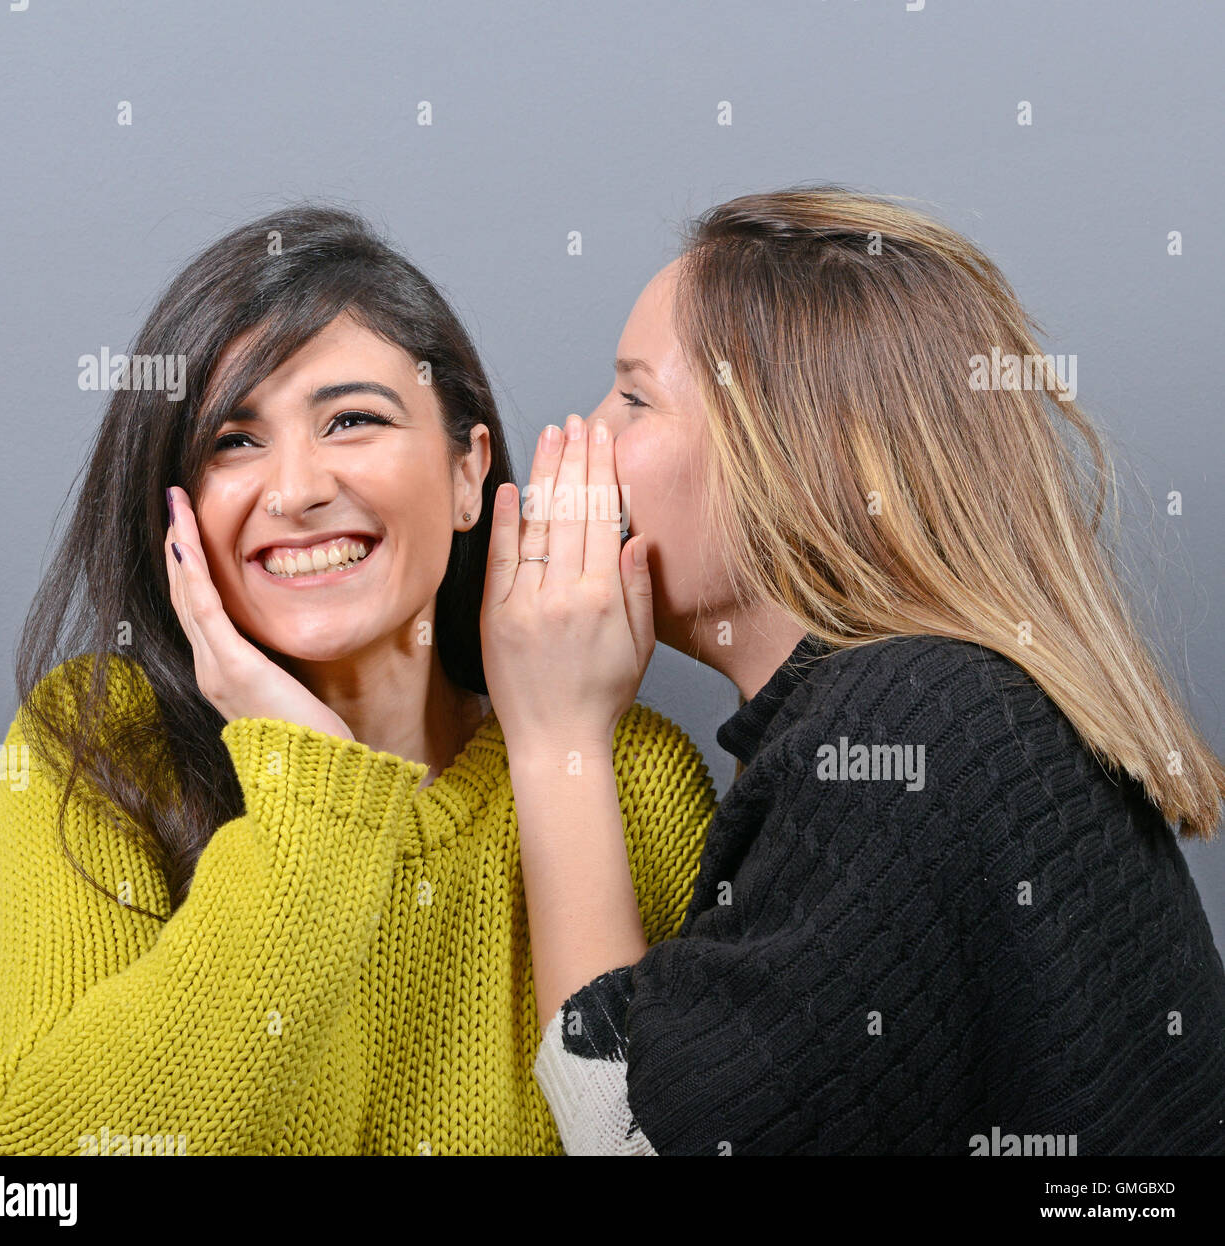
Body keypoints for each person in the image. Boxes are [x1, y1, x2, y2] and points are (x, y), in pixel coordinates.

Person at [480, 186, 1225, 1155]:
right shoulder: (931, 710)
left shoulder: (911, 724)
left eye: (631, 397)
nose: (582, 434)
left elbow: (636, 1145)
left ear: (792, 458)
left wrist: (554, 741)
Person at [0, 204, 715, 1156]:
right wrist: (312, 790)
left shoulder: (632, 780)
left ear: (467, 472)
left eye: (351, 420)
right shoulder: (102, 742)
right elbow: (45, 1166)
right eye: (232, 441)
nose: (296, 489)